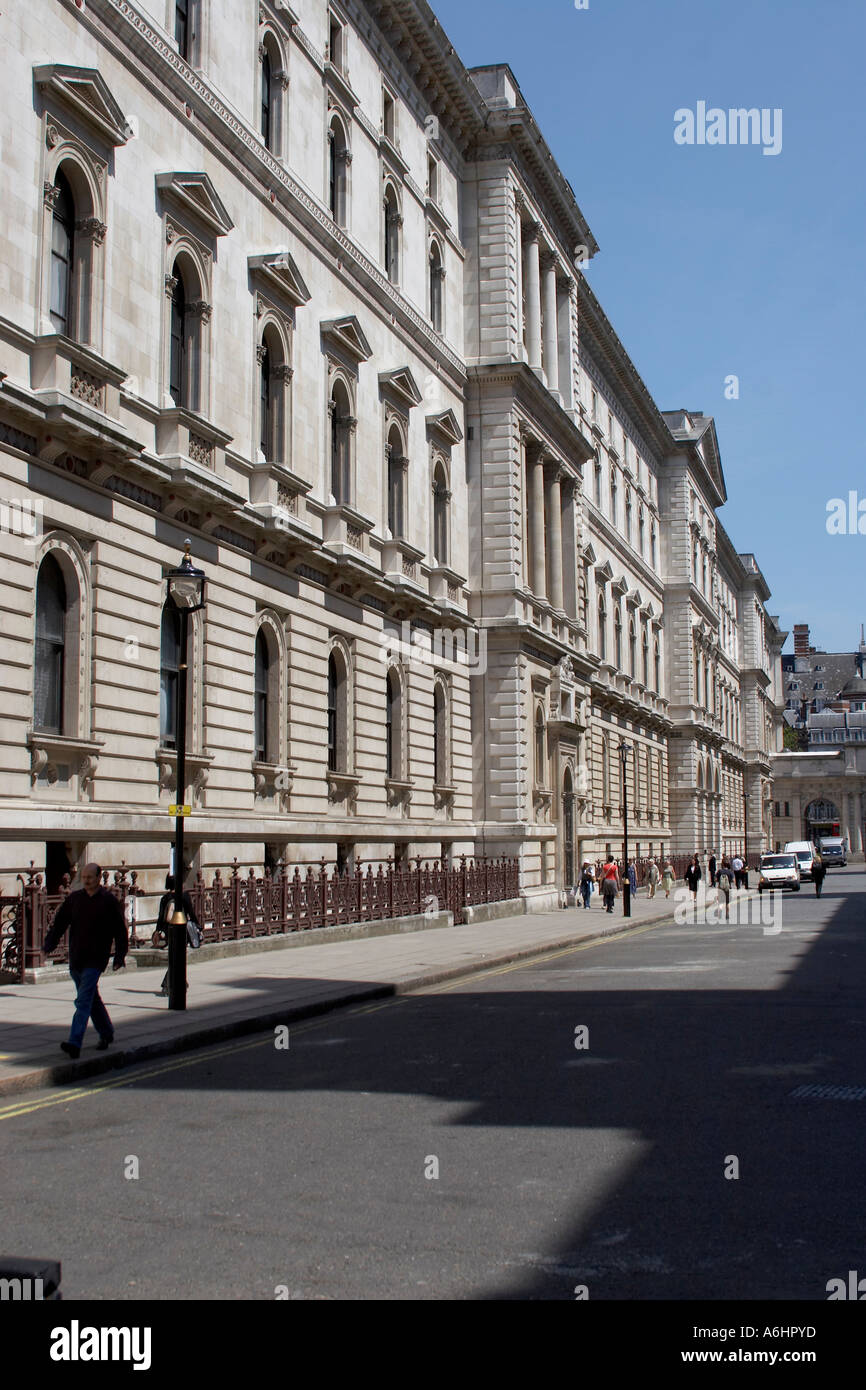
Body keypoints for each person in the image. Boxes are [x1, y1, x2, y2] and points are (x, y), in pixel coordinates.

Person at [42, 863, 128, 1059]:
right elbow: (59, 924)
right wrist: (48, 946)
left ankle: (75, 1042)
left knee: (82, 1001)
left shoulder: (108, 901)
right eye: (84, 877)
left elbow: (120, 931)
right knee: (91, 999)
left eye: (90, 877)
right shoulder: (75, 899)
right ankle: (106, 1032)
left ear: (99, 878)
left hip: (96, 959)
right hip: (77, 958)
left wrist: (119, 956)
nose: (86, 880)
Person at [156, 874, 201, 996]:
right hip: (181, 930)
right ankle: (167, 984)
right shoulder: (184, 896)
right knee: (179, 958)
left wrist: (158, 931)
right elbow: (190, 912)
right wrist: (197, 925)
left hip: (168, 931)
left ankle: (182, 981)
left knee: (175, 956)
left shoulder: (165, 898)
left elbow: (160, 917)